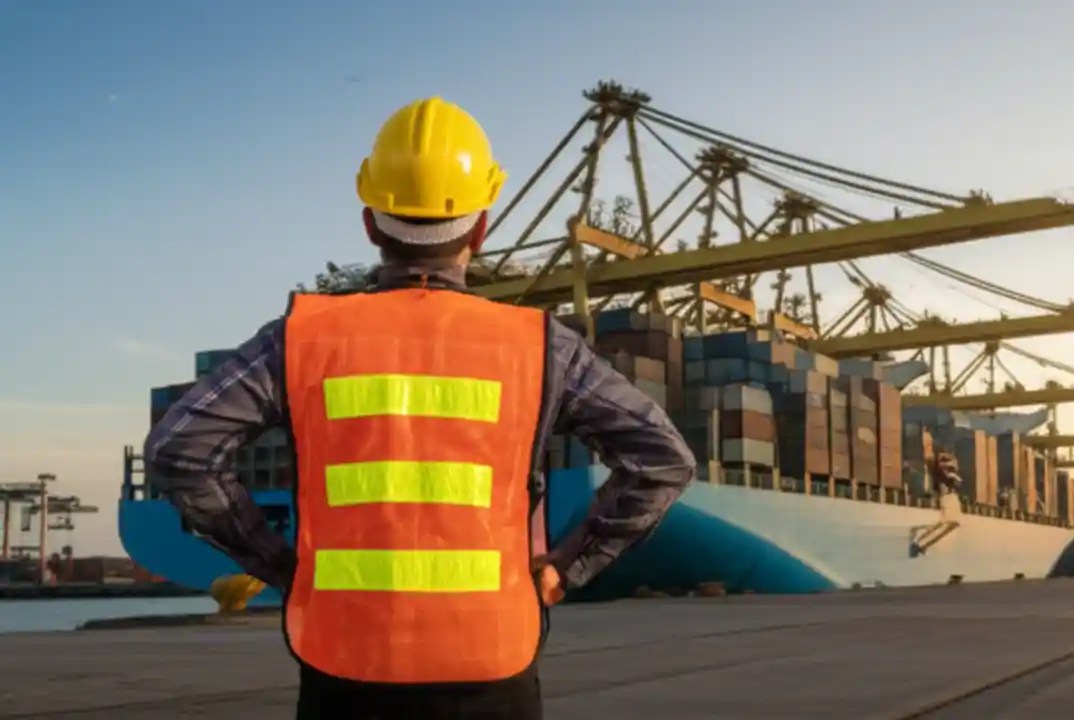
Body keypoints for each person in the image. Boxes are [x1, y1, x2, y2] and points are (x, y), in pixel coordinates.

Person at [144, 97, 697, 719]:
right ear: (481, 226)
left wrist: (279, 565)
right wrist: (569, 568)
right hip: (492, 659)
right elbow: (662, 459)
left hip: (344, 659)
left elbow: (178, 450)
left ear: (370, 224)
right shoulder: (542, 347)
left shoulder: (300, 337)